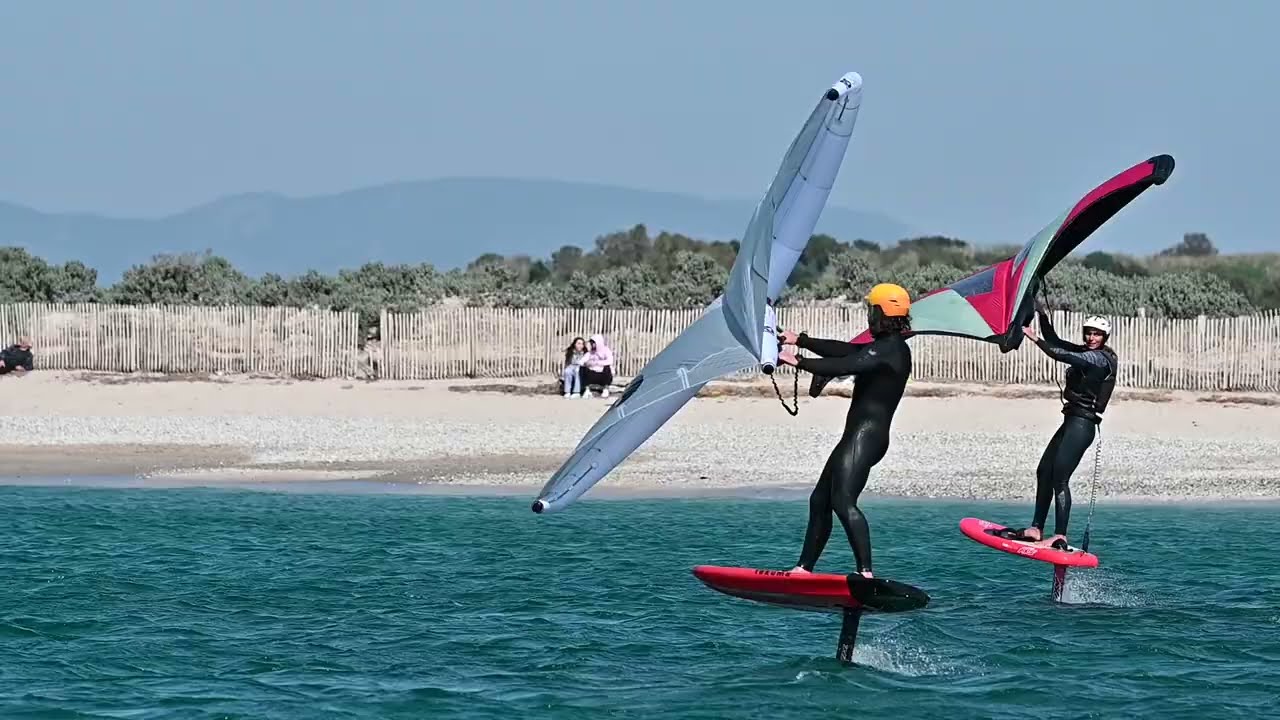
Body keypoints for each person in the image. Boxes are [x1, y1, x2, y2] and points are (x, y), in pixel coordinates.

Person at [776, 283, 913, 579]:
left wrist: (798, 361)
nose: (868, 316)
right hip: (858, 436)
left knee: (842, 501)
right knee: (819, 500)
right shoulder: (886, 346)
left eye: (870, 310)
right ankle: (803, 570)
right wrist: (801, 340)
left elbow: (851, 363)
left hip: (867, 437)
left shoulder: (891, 350)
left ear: (880, 313)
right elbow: (844, 350)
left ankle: (866, 575)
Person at [996, 305, 1117, 550]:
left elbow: (1061, 354)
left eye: (1097, 334)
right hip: (1071, 421)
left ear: (1105, 337)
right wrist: (1042, 315)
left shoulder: (1098, 359)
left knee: (1060, 479)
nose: (1091, 338)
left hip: (1082, 425)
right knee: (1044, 471)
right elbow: (1057, 342)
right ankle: (1036, 528)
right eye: (1088, 333)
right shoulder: (1087, 351)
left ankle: (1060, 535)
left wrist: (1034, 338)